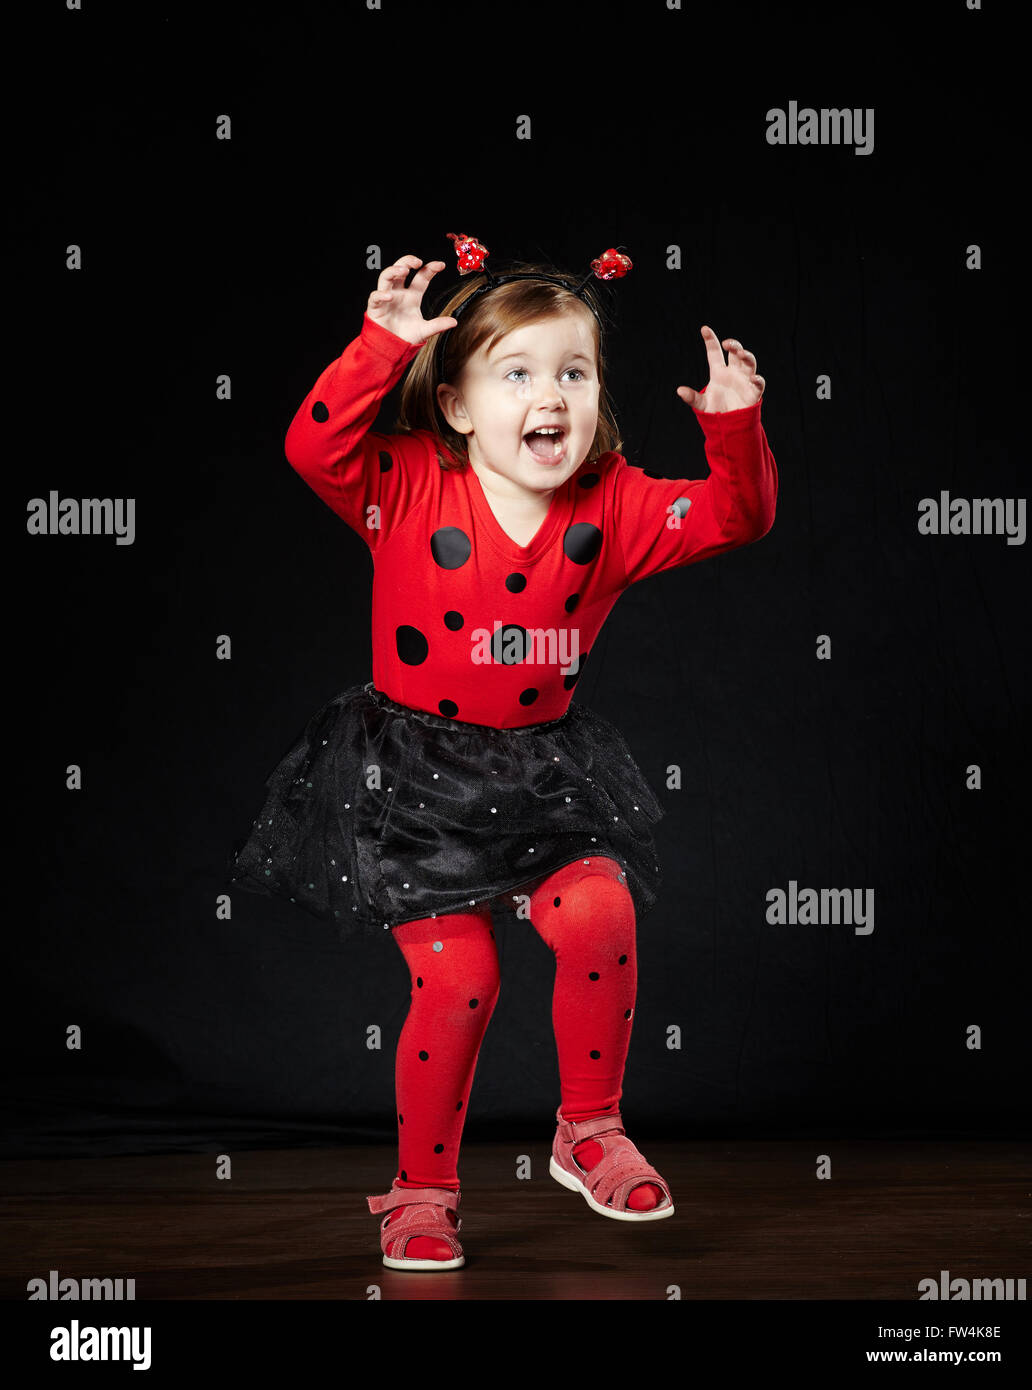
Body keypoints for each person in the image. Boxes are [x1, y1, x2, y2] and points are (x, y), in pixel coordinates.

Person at [226, 233, 777, 1270]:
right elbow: (311, 450)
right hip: (411, 784)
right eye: (516, 373)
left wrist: (734, 430)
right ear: (457, 404)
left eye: (574, 371)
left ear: (599, 395)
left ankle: (589, 1129)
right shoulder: (402, 482)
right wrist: (377, 347)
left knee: (599, 912)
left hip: (543, 776)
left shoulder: (613, 506)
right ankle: (420, 1191)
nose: (552, 395)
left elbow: (739, 515)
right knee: (460, 980)